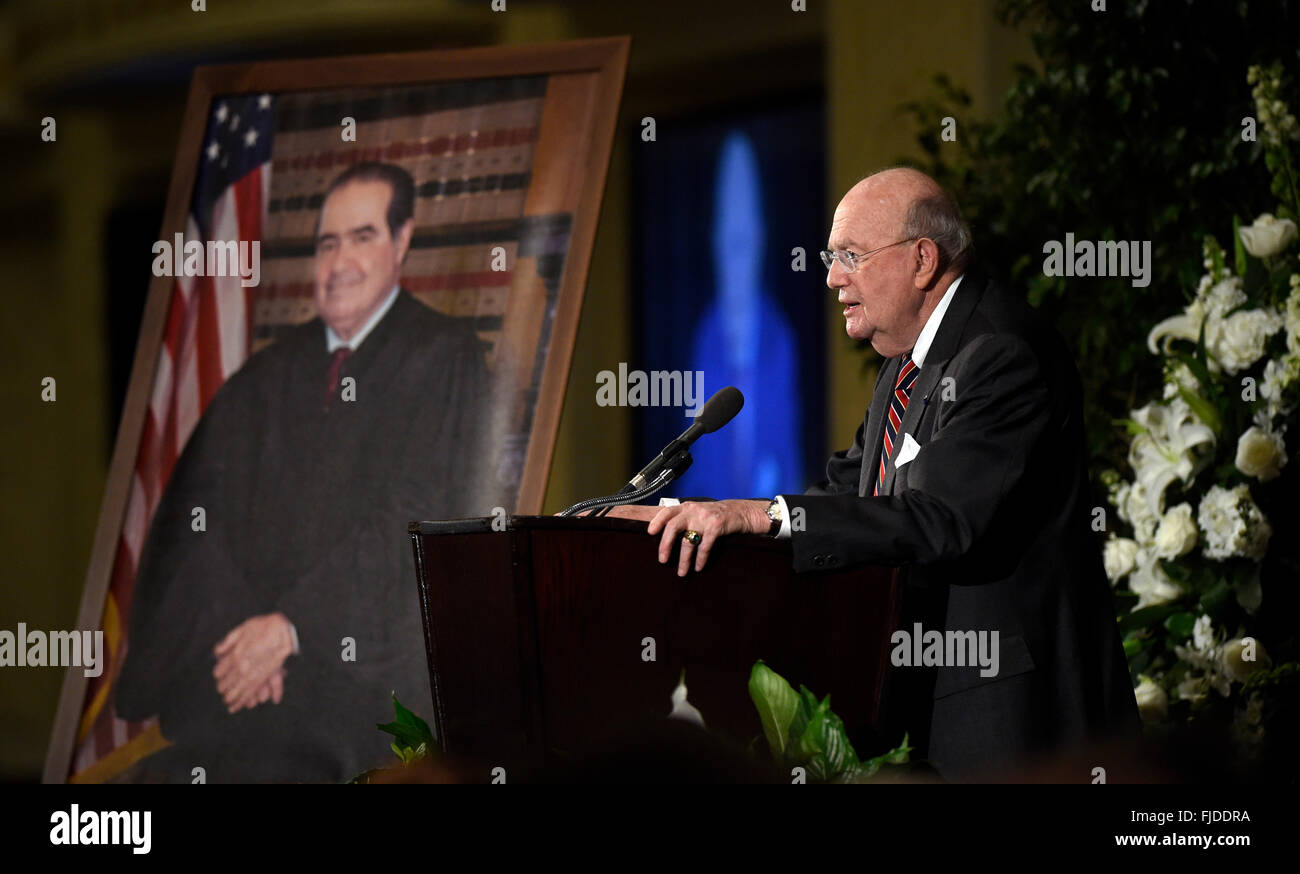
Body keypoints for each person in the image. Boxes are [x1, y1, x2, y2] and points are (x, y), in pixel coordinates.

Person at [611, 167, 1140, 781]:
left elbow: (942, 518)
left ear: (922, 259)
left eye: (851, 256)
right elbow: (849, 491)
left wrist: (758, 515)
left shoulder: (1000, 352)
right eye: (831, 257)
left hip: (1015, 723)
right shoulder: (907, 364)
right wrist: (696, 517)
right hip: (930, 707)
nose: (833, 278)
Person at [116, 162, 502, 782]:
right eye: (327, 243)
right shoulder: (267, 377)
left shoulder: (443, 357)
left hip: (365, 690)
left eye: (362, 236)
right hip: (245, 685)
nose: (339, 260)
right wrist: (245, 646)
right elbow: (200, 523)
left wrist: (293, 628)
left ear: (402, 242)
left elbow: (417, 522)